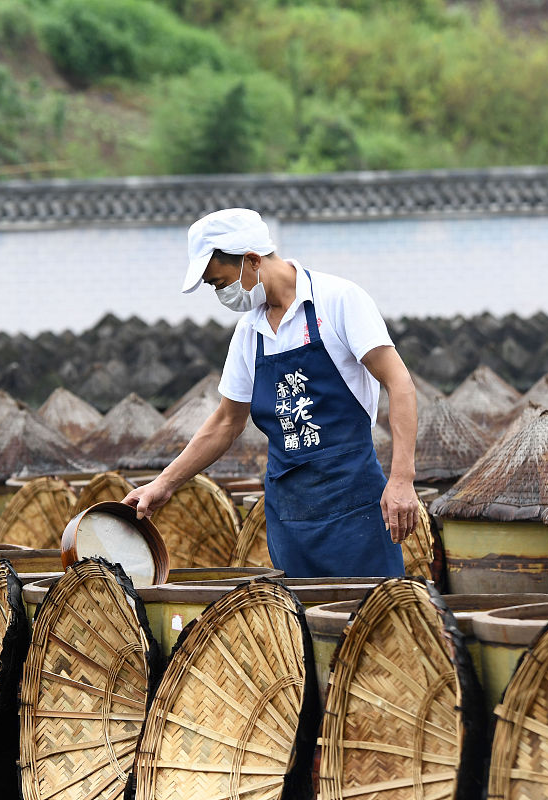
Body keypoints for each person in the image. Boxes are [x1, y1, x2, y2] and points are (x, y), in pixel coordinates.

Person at [123, 209, 419, 578]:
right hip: (289, 513)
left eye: (220, 283)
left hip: (353, 502)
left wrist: (402, 478)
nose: (221, 294)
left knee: (371, 621)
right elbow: (226, 422)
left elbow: (399, 383)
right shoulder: (250, 332)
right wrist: (163, 484)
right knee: (298, 629)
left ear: (251, 260)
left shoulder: (338, 300)